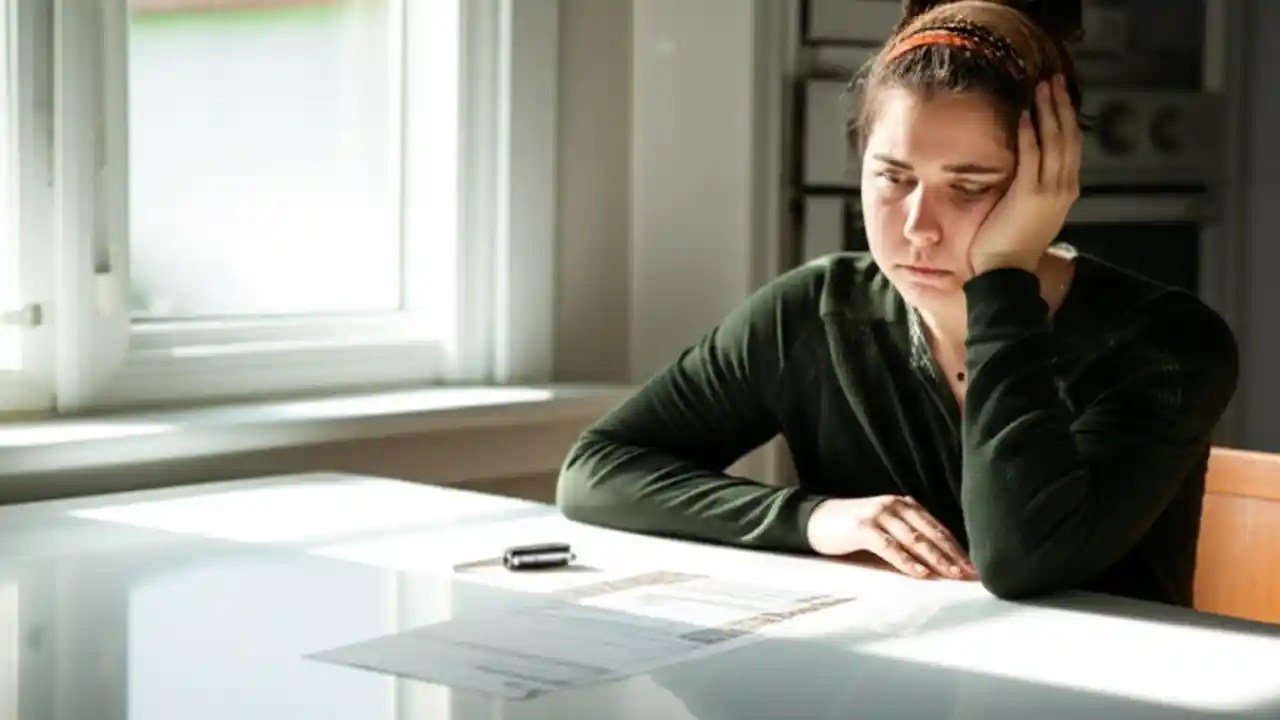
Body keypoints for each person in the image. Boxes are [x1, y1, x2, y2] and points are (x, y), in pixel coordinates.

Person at [555, 0, 1238, 606]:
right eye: (892, 177)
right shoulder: (816, 311)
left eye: (969, 186)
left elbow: (1022, 560)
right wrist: (816, 519)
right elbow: (597, 470)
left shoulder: (1168, 343)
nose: (917, 226)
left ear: (1049, 182)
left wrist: (1004, 275)